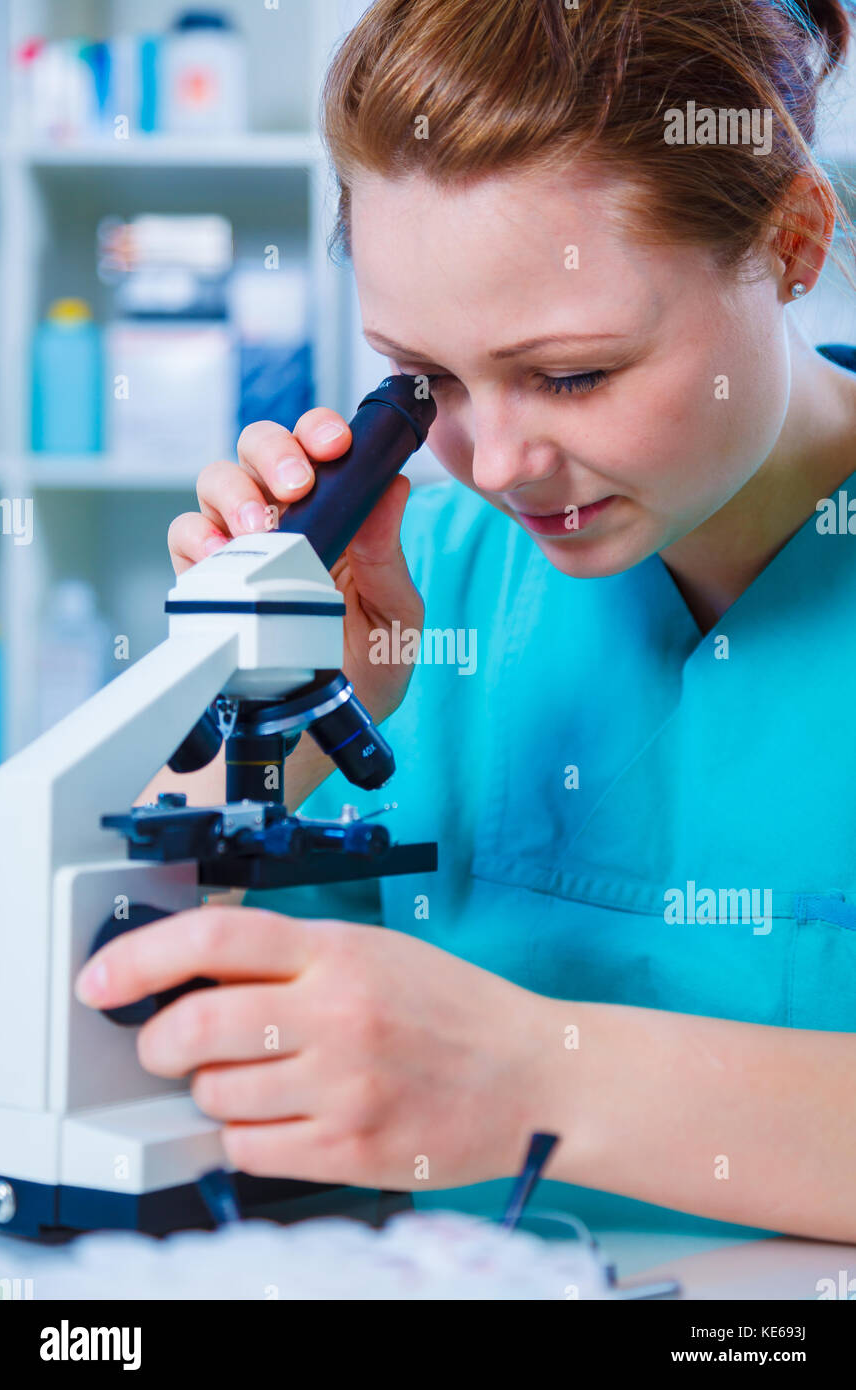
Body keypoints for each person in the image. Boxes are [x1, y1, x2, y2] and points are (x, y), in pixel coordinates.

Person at [76, 0, 856, 1242]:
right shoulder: (405, 591)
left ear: (795, 240)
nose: (493, 463)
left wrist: (541, 1078)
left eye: (572, 374)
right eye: (428, 379)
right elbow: (137, 1027)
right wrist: (256, 731)